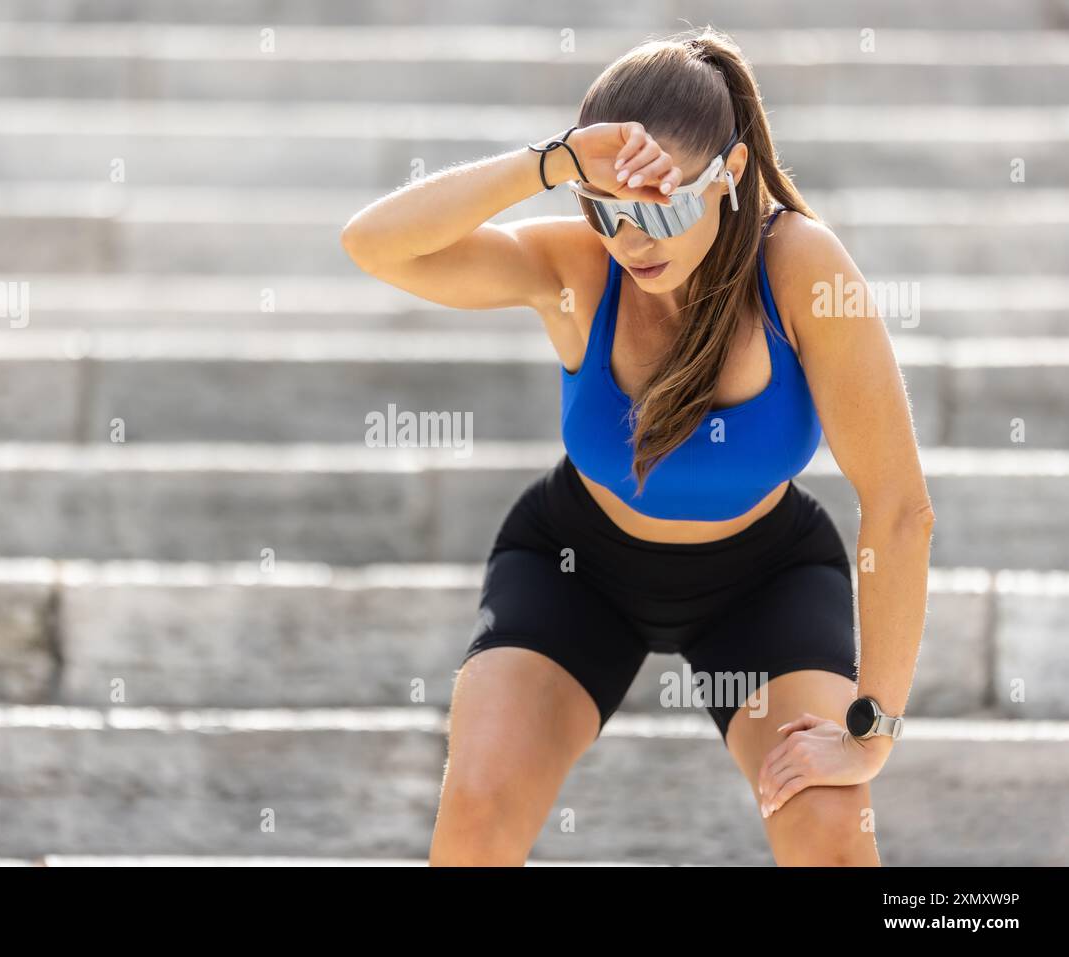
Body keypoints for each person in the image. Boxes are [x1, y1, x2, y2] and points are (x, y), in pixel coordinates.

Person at [340, 27, 934, 866]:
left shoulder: (800, 267)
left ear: (729, 176)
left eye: (661, 206)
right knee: (475, 819)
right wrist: (553, 164)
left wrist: (873, 731)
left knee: (834, 839)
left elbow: (901, 507)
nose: (633, 239)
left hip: (763, 579)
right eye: (609, 208)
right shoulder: (581, 269)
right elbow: (372, 244)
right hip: (577, 566)